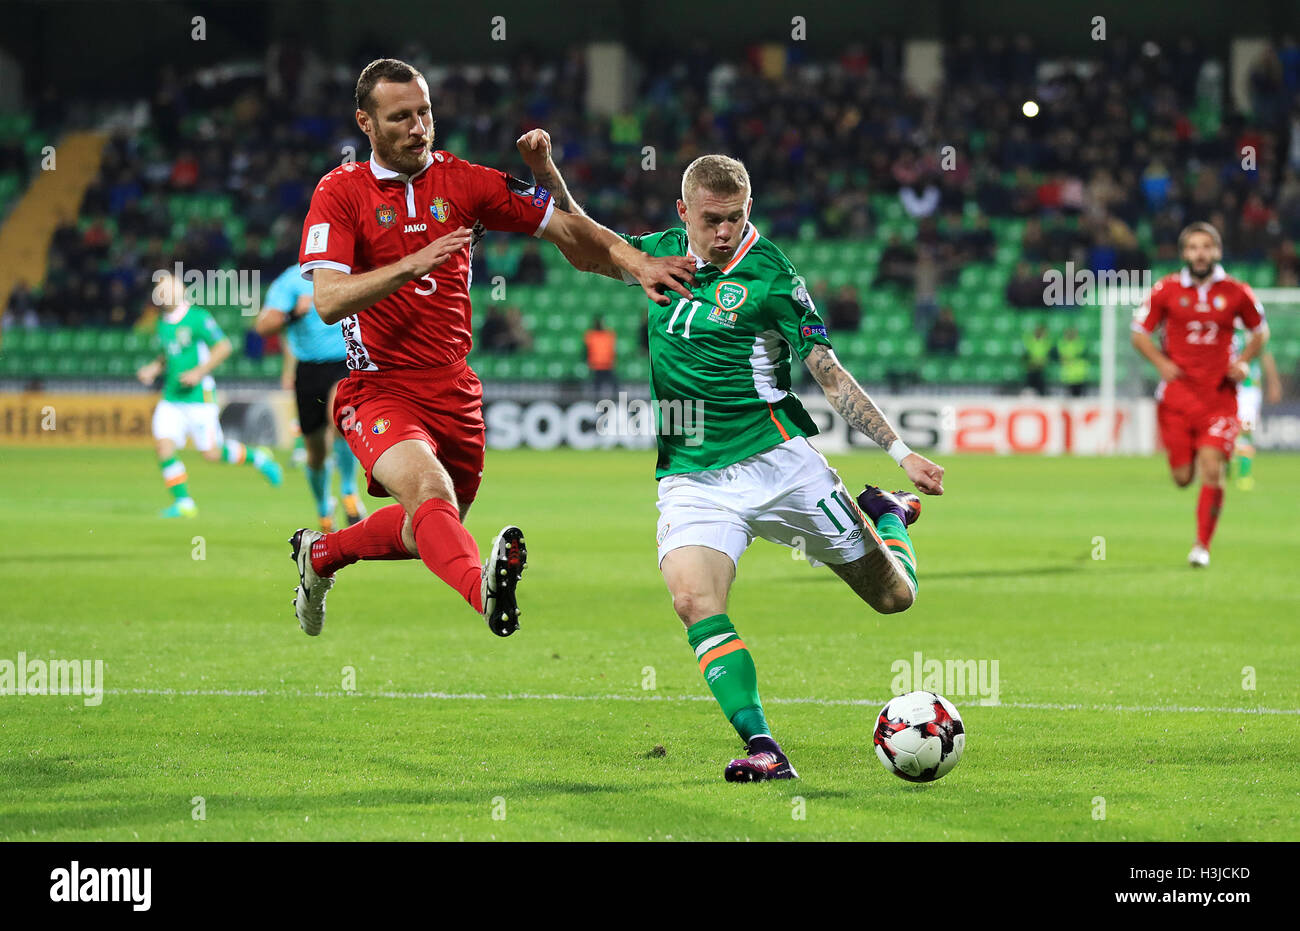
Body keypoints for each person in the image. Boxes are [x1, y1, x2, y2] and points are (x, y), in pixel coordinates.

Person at [521, 144, 945, 782]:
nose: (725, 232)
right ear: (683, 213)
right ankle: (765, 747)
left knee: (894, 598)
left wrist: (899, 450)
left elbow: (827, 373)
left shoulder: (771, 275)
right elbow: (581, 242)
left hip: (778, 463)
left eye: (737, 218)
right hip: (692, 474)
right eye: (711, 219)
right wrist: (545, 173)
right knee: (693, 600)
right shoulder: (659, 254)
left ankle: (887, 519)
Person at [288, 58, 695, 639]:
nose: (417, 126)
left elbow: (572, 236)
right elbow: (328, 300)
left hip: (454, 390)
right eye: (399, 116)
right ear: (366, 123)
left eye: (424, 112)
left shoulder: (468, 183)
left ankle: (322, 555)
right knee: (430, 494)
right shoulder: (340, 191)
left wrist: (639, 261)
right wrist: (412, 264)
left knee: (429, 525)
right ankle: (483, 589)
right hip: (378, 387)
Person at [1131, 222, 1269, 567]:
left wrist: (1243, 361)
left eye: (1206, 247)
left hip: (1219, 398)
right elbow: (1139, 333)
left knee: (1212, 468)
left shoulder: (1237, 291)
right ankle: (1190, 454)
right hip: (1177, 399)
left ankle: (1201, 546)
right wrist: (1161, 363)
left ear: (1217, 251)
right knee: (1182, 478)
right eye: (1193, 247)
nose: (1200, 253)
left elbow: (1260, 332)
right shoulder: (1166, 289)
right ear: (1184, 254)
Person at [135, 271, 282, 518]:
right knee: (163, 447)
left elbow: (224, 346)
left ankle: (258, 458)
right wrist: (154, 367)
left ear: (180, 289)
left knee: (212, 453)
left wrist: (199, 372)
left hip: (198, 396)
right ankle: (184, 503)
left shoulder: (197, 318)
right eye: (160, 289)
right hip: (171, 397)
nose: (164, 293)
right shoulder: (162, 323)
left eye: (169, 287)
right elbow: (168, 354)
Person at [255, 262, 365, 532]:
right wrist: (293, 313)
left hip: (344, 361)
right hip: (308, 369)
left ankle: (350, 491)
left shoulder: (349, 270)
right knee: (315, 452)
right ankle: (323, 506)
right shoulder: (291, 280)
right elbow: (263, 326)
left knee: (339, 417)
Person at [1230, 330, 1283, 490]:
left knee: (1246, 428)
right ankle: (1224, 467)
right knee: (1226, 429)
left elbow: (1266, 355)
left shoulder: (1253, 327)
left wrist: (1274, 383)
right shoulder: (1224, 324)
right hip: (1227, 386)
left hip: (1249, 388)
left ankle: (1244, 475)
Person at [583, 315, 617, 397]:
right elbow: (586, 350)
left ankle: (617, 401)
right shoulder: (591, 335)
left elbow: (612, 350)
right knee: (596, 389)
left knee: (614, 387)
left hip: (607, 365)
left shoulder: (609, 335)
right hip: (596, 366)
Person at [1057, 326, 1089, 396]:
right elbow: (1062, 357)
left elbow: (1078, 354)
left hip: (1079, 375)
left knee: (1079, 398)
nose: (1070, 335)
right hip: (1067, 376)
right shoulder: (1062, 343)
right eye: (1068, 333)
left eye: (1071, 333)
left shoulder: (1080, 343)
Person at [1023, 324, 1051, 395]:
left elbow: (1046, 355)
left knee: (1040, 387)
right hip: (1031, 367)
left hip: (1041, 368)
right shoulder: (1030, 341)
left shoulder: (1046, 342)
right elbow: (1026, 354)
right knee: (1030, 388)